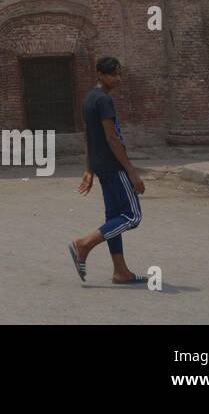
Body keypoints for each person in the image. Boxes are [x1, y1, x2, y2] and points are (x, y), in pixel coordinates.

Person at [67, 56, 146, 284]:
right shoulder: (103, 101)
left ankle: (121, 272)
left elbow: (90, 137)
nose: (118, 79)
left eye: (119, 74)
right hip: (114, 167)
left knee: (114, 217)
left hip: (102, 167)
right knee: (132, 216)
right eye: (113, 74)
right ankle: (83, 245)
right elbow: (111, 138)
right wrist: (131, 171)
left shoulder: (90, 99)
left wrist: (90, 169)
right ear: (100, 75)